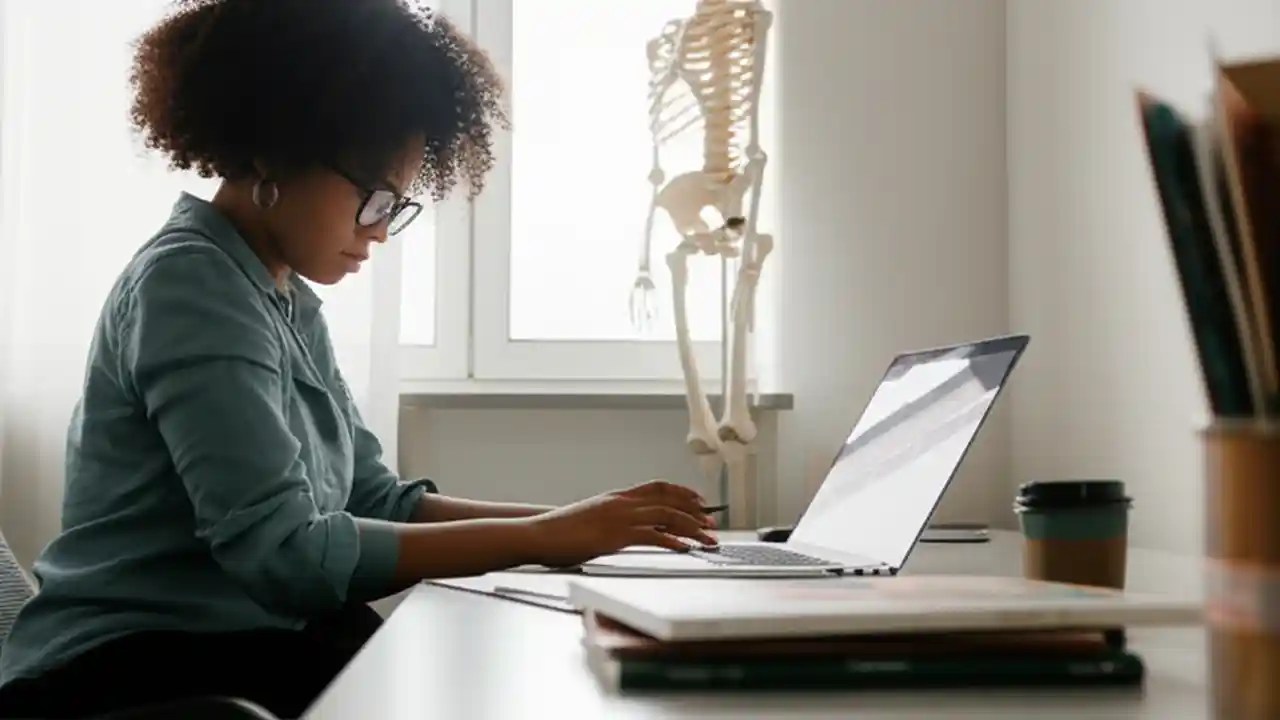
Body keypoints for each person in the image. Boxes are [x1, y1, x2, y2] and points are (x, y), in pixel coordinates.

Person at [0, 1, 718, 717]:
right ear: (273, 150)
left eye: (395, 207)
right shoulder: (191, 286)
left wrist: (585, 525)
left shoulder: (279, 296)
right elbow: (285, 557)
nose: (379, 230)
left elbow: (373, 501)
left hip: (230, 651)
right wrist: (542, 537)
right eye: (374, 199)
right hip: (123, 669)